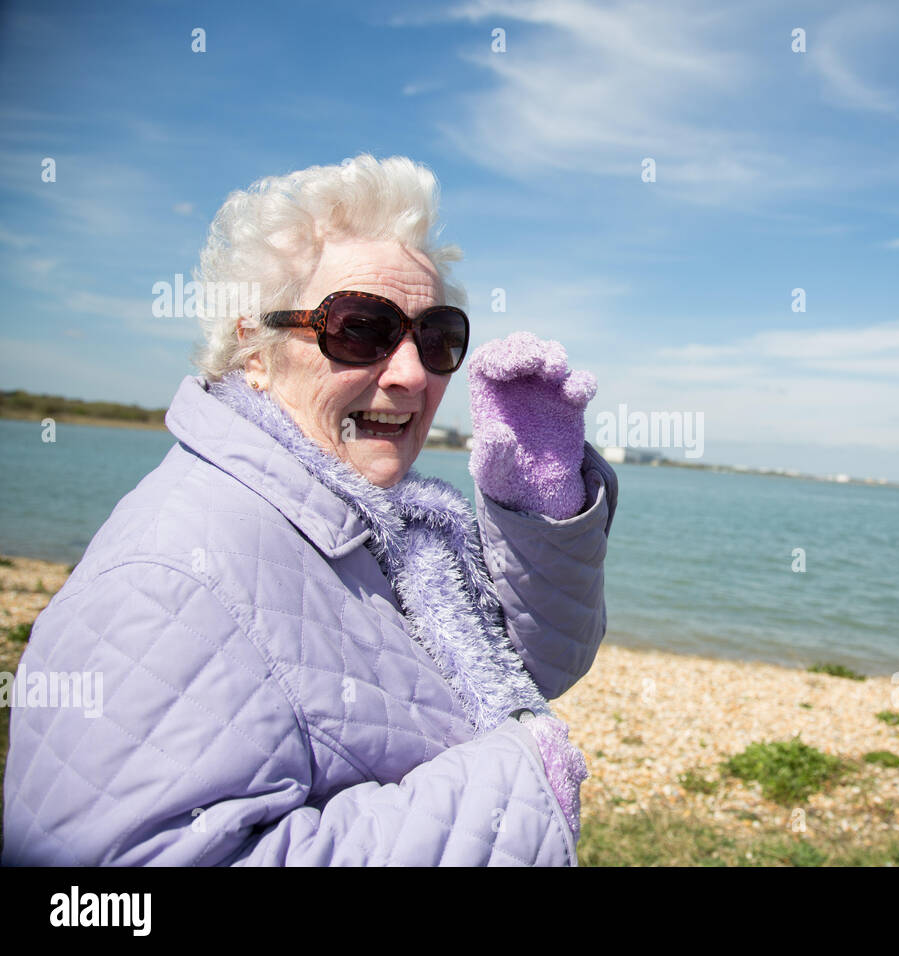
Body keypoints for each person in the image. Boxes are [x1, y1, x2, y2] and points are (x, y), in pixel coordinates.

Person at [1, 155, 617, 866]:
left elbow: (528, 666)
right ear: (253, 351)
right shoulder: (166, 577)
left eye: (436, 337)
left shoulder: (385, 523)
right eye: (360, 328)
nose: (412, 373)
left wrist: (537, 498)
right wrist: (507, 797)